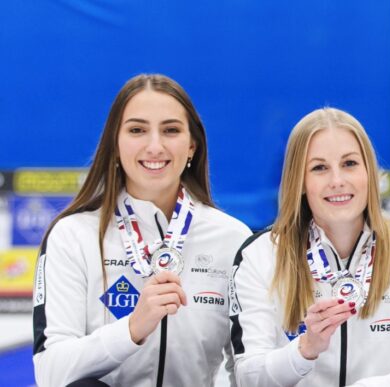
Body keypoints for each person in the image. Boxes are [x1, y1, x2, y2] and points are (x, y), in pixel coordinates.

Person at [32, 74, 252, 386]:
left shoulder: (233, 240)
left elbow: (247, 367)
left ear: (192, 146)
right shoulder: (73, 236)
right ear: (115, 144)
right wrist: (132, 328)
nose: (154, 146)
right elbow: (50, 372)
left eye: (171, 130)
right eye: (137, 130)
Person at [230, 108, 390, 386]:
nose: (337, 181)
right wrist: (304, 349)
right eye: (319, 168)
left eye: (349, 164)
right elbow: (248, 377)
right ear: (300, 181)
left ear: (370, 172)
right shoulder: (260, 256)